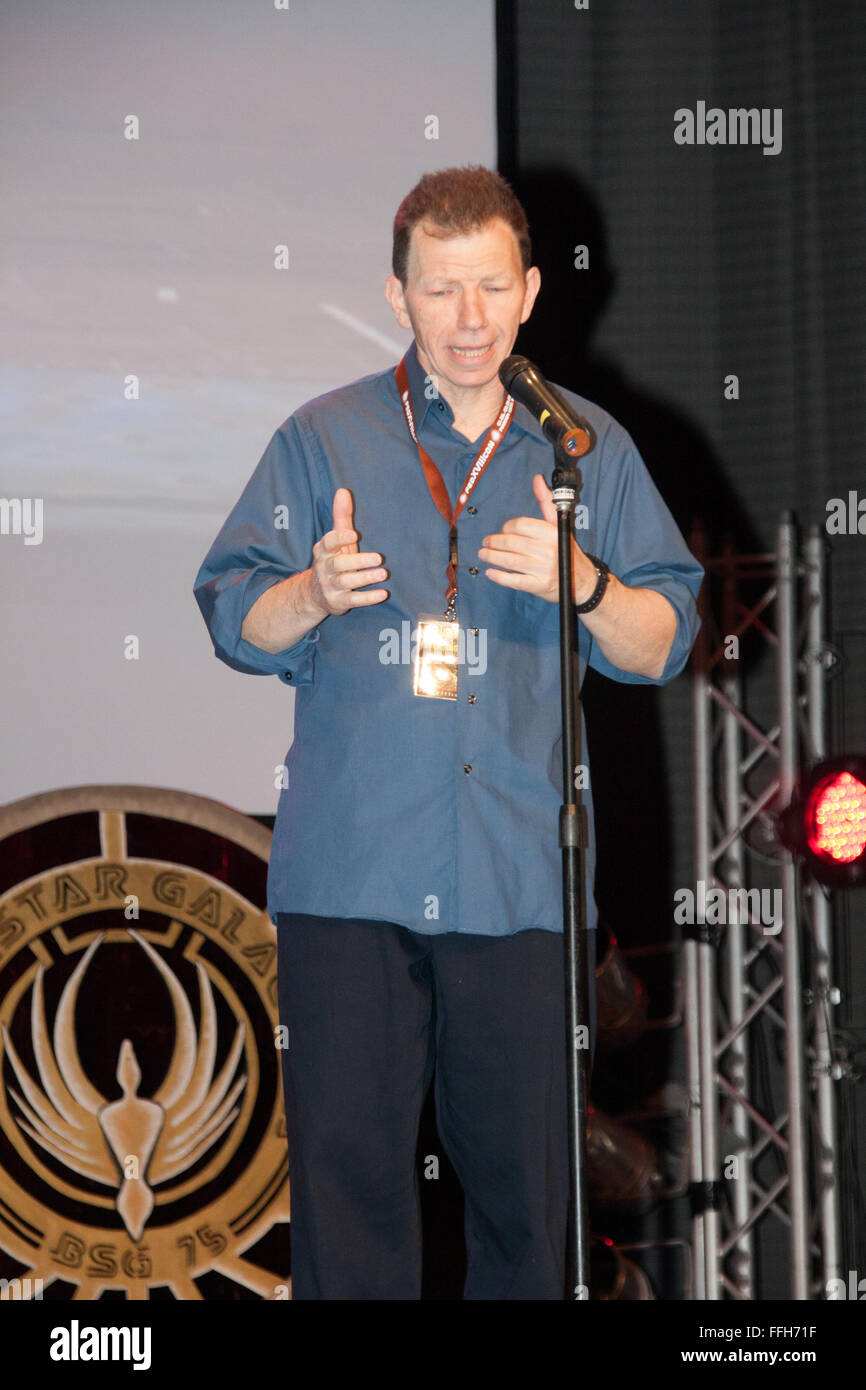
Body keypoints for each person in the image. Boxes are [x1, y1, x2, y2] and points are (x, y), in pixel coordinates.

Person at [194, 165, 703, 1301]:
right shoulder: (321, 439)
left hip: (518, 881)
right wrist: (312, 593)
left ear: (527, 291)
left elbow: (663, 637)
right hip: (351, 880)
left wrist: (583, 582)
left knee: (529, 1215)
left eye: (487, 288)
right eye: (438, 291)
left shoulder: (585, 451)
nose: (466, 320)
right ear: (396, 296)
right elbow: (233, 615)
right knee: (351, 1200)